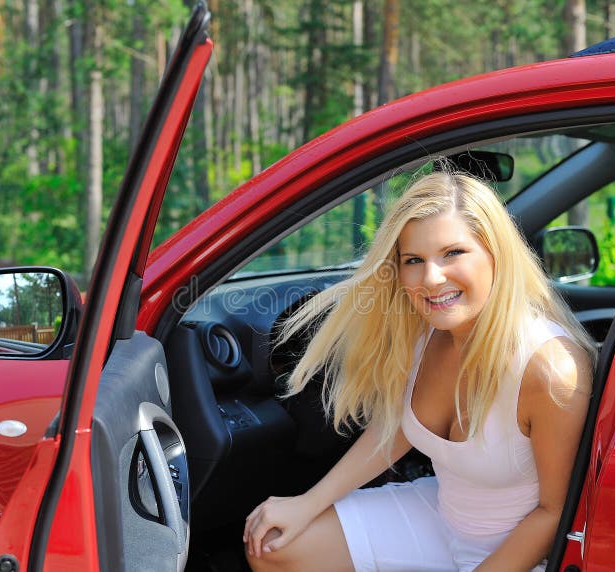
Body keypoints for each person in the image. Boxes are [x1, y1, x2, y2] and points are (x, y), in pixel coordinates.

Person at [243, 168, 596, 572]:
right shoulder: (426, 334)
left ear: (496, 253)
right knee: (272, 544)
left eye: (453, 253)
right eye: (413, 260)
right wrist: (308, 503)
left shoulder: (549, 371)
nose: (431, 278)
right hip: (441, 518)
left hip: (519, 549)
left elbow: (555, 511)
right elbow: (395, 427)